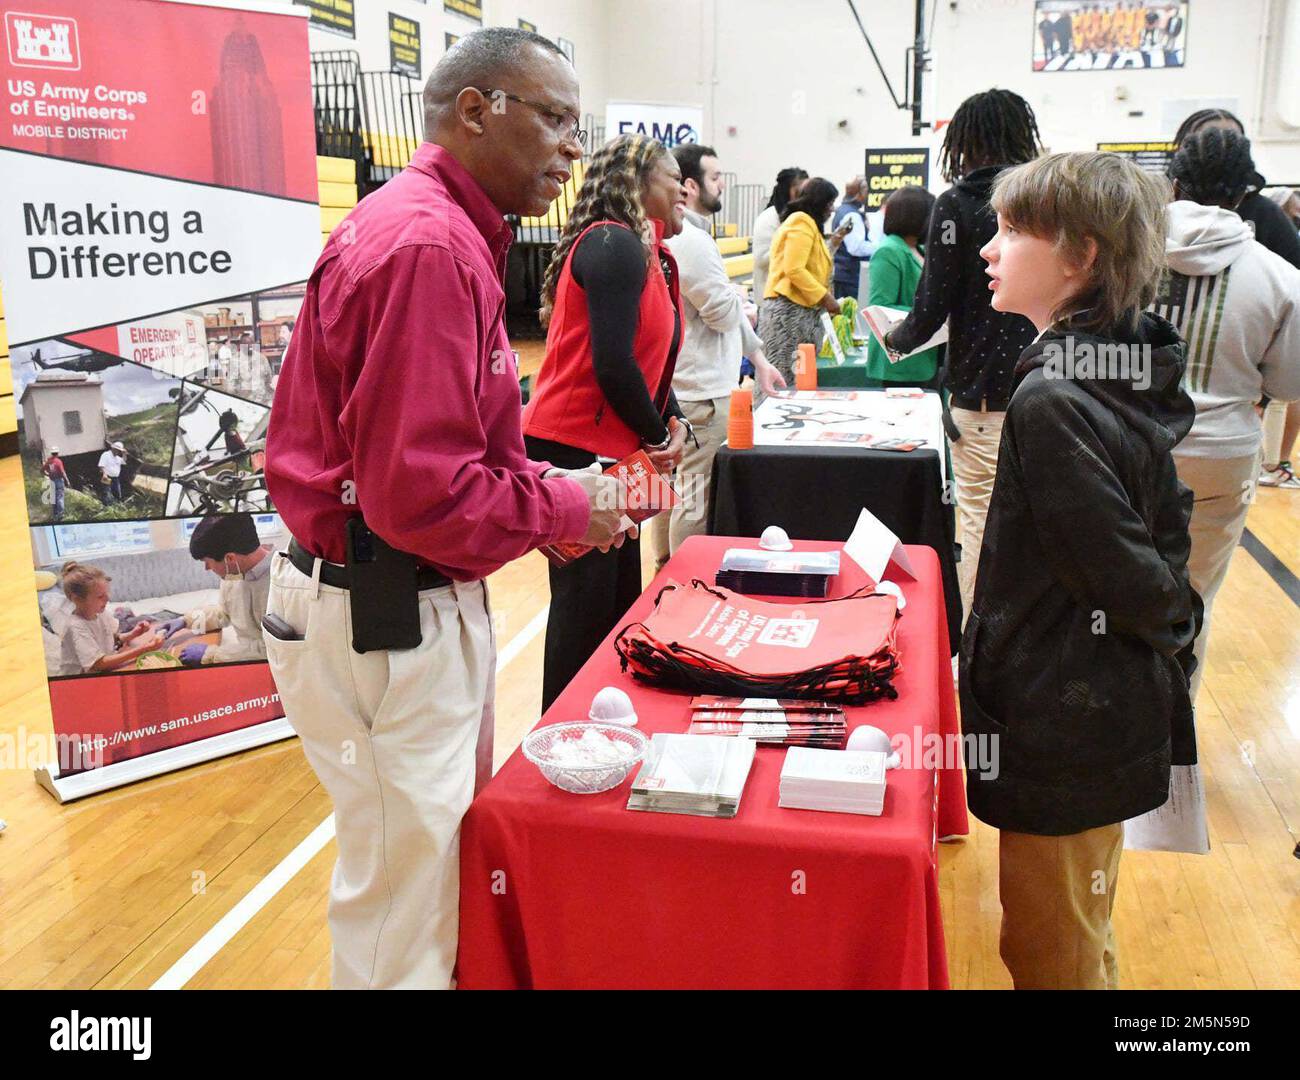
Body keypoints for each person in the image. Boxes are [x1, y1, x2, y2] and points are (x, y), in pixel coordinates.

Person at [263, 27, 622, 990]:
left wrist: (548, 505)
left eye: (575, 125)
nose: (569, 148)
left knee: (416, 882)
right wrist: (561, 507)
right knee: (403, 908)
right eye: (551, 118)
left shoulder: (429, 228)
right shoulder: (429, 245)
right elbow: (420, 495)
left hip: (379, 596)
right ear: (475, 109)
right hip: (387, 605)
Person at [962, 151, 1200, 990]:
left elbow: (1123, 569)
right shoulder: (1101, 368)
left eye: (1012, 231)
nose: (988, 250)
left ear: (1081, 255)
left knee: (1048, 949)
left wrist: (1176, 626)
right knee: (1077, 929)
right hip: (1090, 701)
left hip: (1066, 713)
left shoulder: (1052, 398)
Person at [522, 133, 688, 710]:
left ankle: (601, 722)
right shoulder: (614, 244)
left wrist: (673, 421)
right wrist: (657, 434)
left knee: (616, 606)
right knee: (584, 607)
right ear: (641, 181)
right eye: (674, 177)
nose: (684, 189)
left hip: (612, 448)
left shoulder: (649, 253)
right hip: (572, 447)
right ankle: (558, 735)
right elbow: (612, 363)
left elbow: (648, 365)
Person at [883, 88, 1042, 626]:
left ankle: (977, 652)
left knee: (977, 522)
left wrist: (896, 339)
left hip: (982, 391)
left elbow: (931, 306)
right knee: (1037, 526)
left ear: (964, 141)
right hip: (1051, 384)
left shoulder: (957, 204)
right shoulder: (1046, 199)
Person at [1153, 128, 1300, 702]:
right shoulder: (1280, 276)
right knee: (1193, 599)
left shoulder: (1121, 257)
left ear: (1175, 182)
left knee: (1109, 594)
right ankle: (1173, 735)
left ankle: (1107, 732)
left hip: (1123, 448)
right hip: (1220, 456)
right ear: (1244, 193)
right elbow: (1286, 386)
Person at [648, 143, 786, 570]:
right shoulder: (692, 240)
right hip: (701, 392)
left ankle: (664, 575)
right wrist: (738, 302)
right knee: (693, 500)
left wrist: (758, 358)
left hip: (682, 387)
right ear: (687, 186)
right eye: (714, 176)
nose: (722, 182)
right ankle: (680, 584)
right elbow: (724, 312)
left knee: (672, 495)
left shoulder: (682, 236)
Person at [156, 513, 276, 666]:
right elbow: (223, 613)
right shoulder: (233, 574)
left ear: (230, 558)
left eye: (207, 562)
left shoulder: (280, 583)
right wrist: (185, 620)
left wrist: (212, 655)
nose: (206, 568)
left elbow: (273, 649)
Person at [759, 177, 846, 387]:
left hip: (801, 314)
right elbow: (794, 269)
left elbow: (813, 265)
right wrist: (826, 298)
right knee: (782, 379)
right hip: (788, 315)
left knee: (796, 380)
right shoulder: (801, 221)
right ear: (819, 202)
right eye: (830, 203)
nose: (832, 210)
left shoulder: (810, 227)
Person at [863, 186, 940, 387]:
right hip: (900, 361)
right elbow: (880, 306)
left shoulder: (920, 249)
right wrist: (929, 314)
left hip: (924, 354)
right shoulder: (889, 251)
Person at [59, 562, 163, 675]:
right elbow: (98, 663)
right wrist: (143, 649)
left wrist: (133, 634)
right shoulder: (76, 626)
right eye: (100, 596)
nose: (108, 598)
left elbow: (112, 638)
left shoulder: (100, 612)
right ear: (77, 599)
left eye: (107, 593)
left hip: (105, 666)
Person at [751, 167, 808, 311]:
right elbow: (762, 259)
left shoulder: (803, 218)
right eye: (799, 191)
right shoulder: (768, 218)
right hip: (772, 301)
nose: (804, 196)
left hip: (797, 302)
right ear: (786, 190)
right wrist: (795, 250)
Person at [830, 175, 876, 300]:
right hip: (850, 276)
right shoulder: (852, 215)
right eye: (866, 191)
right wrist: (880, 247)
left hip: (843, 274)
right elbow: (856, 248)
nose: (867, 195)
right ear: (859, 193)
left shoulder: (842, 211)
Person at [42, 446, 66, 522]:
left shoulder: (49, 461)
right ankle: (61, 515)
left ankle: (55, 514)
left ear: (52, 453)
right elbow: (62, 472)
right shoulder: (58, 461)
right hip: (59, 480)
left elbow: (42, 470)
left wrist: (48, 474)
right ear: (57, 453)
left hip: (52, 481)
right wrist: (67, 480)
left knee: (54, 499)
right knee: (60, 498)